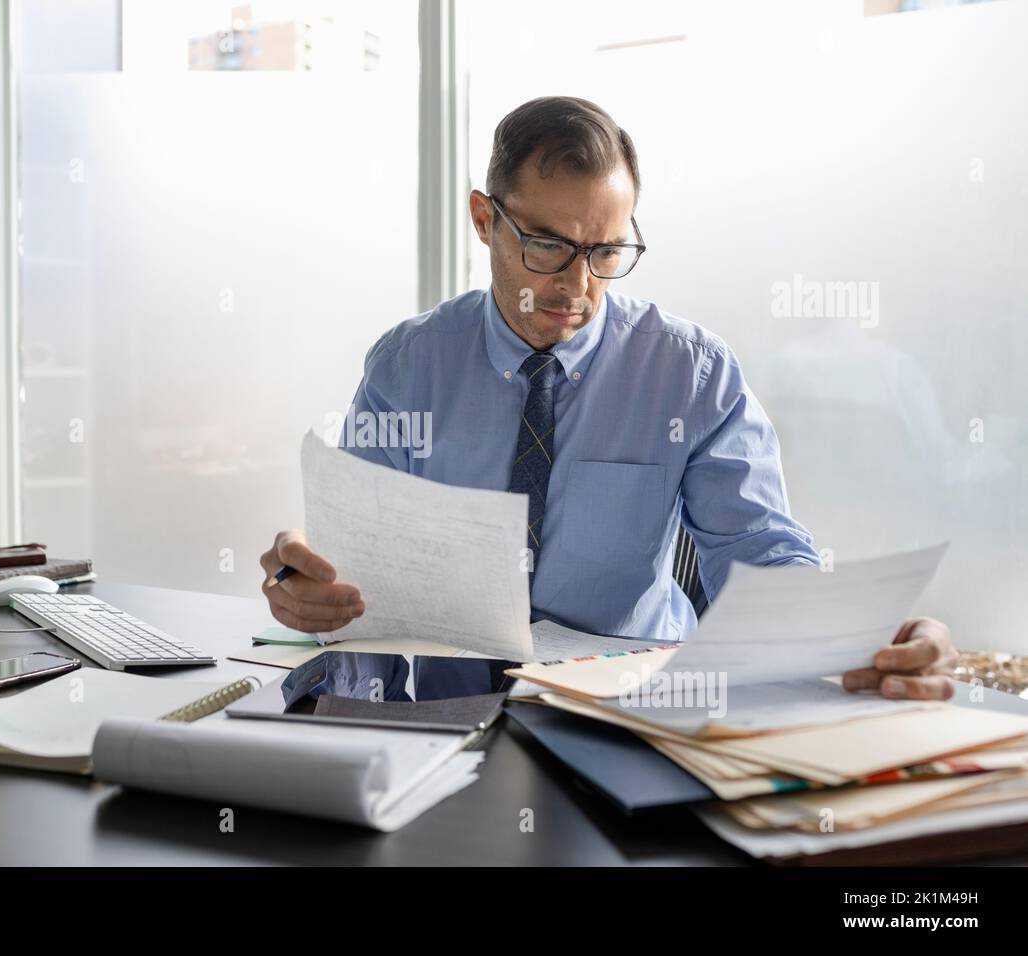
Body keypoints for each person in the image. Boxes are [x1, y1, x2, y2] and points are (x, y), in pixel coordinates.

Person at [260, 96, 956, 702]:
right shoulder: (409, 365)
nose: (577, 286)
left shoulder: (690, 374)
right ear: (483, 218)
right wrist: (314, 592)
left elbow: (760, 554)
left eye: (606, 252)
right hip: (448, 717)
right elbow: (362, 568)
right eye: (547, 246)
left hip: (632, 715)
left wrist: (862, 635)